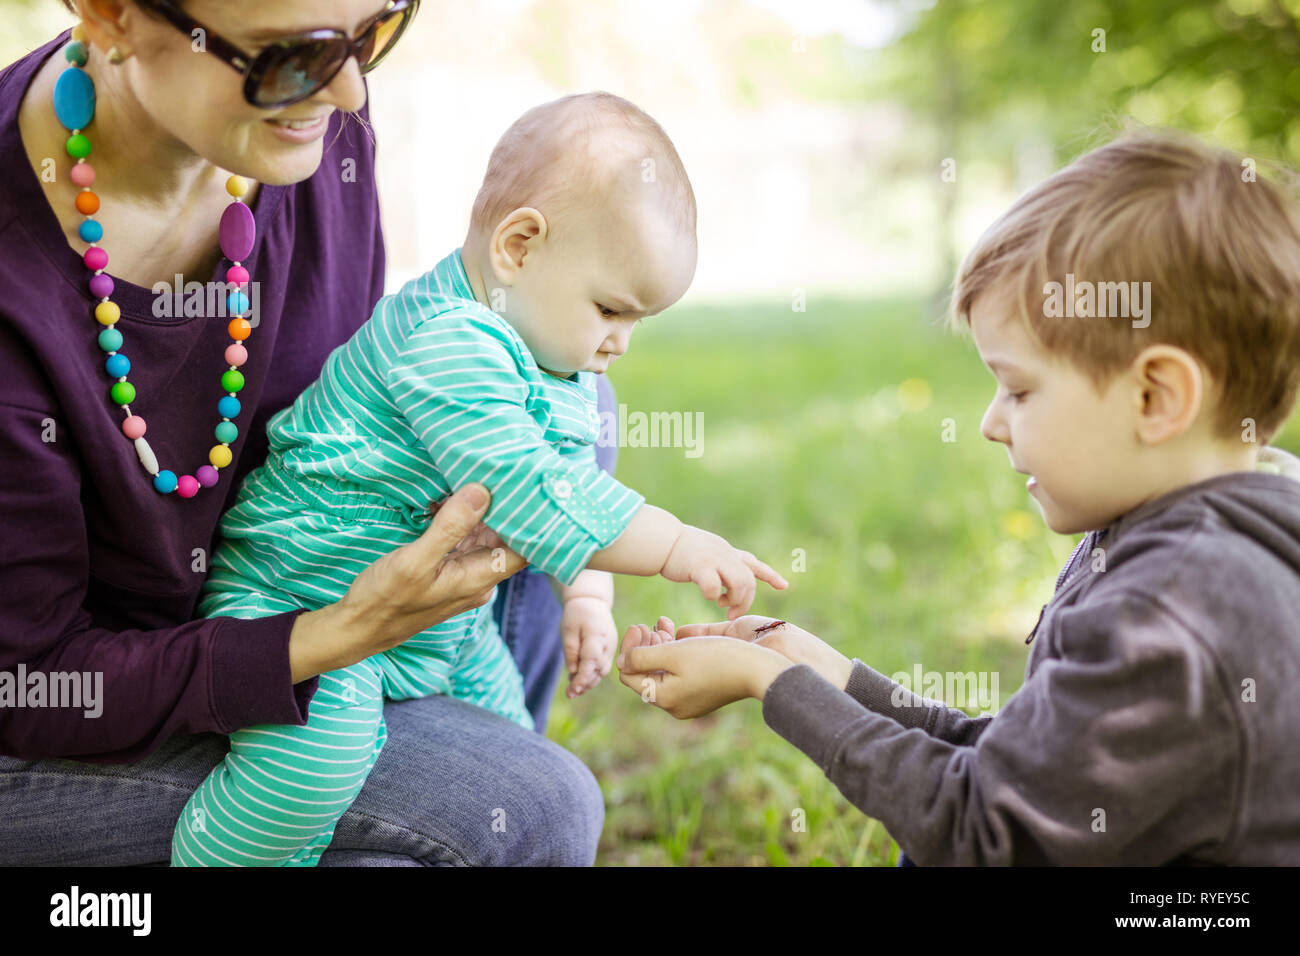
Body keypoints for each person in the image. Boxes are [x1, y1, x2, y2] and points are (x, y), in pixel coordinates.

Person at [0, 1, 603, 866]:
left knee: (559, 377)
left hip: (291, 609)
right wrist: (337, 634)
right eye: (296, 55)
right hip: (66, 717)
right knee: (531, 804)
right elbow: (33, 684)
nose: (351, 90)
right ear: (111, 14)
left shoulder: (313, 136)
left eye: (373, 34)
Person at [615, 130, 1300, 865]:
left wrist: (769, 682)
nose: (990, 421)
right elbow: (1015, 773)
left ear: (1156, 396)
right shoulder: (1185, 540)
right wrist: (819, 670)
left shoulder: (1174, 603)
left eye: (1020, 389)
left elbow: (980, 834)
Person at [170, 91, 788, 866]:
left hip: (432, 625)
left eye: (638, 323)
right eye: (610, 310)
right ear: (519, 247)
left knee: (516, 757)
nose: (621, 343)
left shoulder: (546, 352)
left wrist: (588, 598)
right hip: (302, 605)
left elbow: (568, 468)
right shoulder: (450, 340)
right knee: (314, 762)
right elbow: (531, 488)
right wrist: (676, 545)